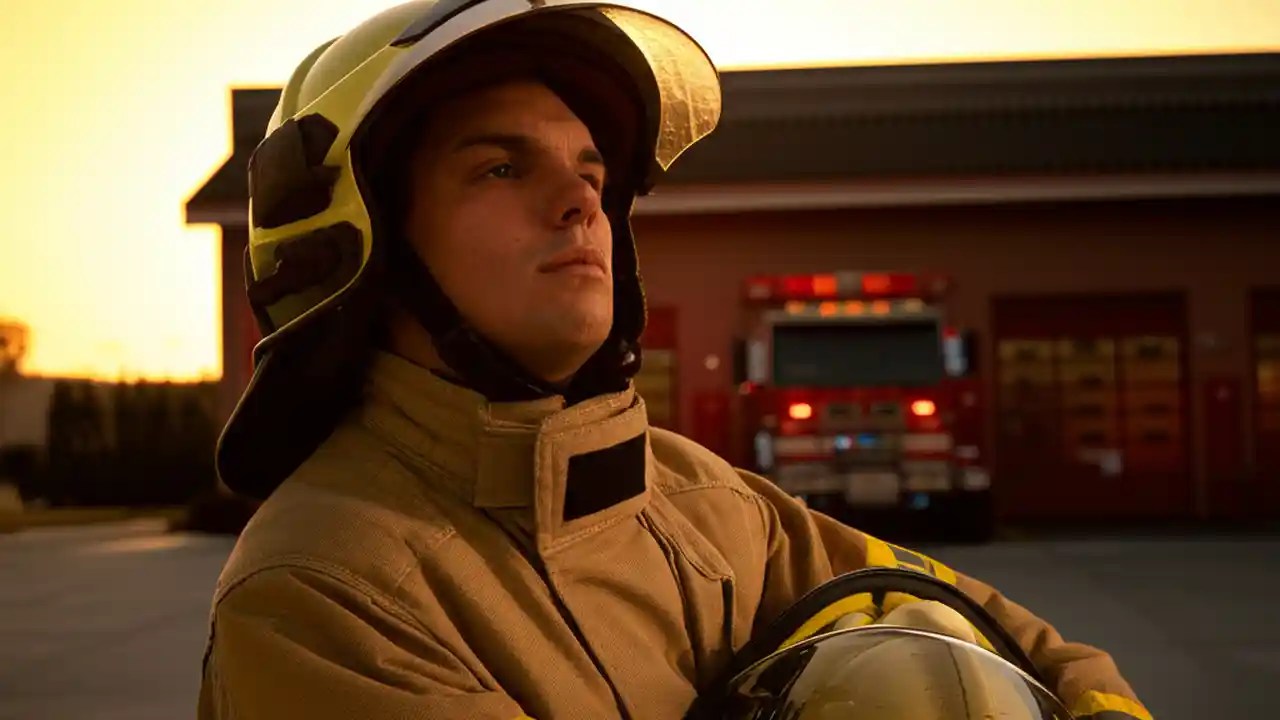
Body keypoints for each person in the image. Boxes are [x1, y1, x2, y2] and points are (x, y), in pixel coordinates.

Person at [198, 2, 1153, 719]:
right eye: (501, 166)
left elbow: (971, 621)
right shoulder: (324, 594)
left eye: (592, 173)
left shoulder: (700, 500)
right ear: (361, 245)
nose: (580, 204)